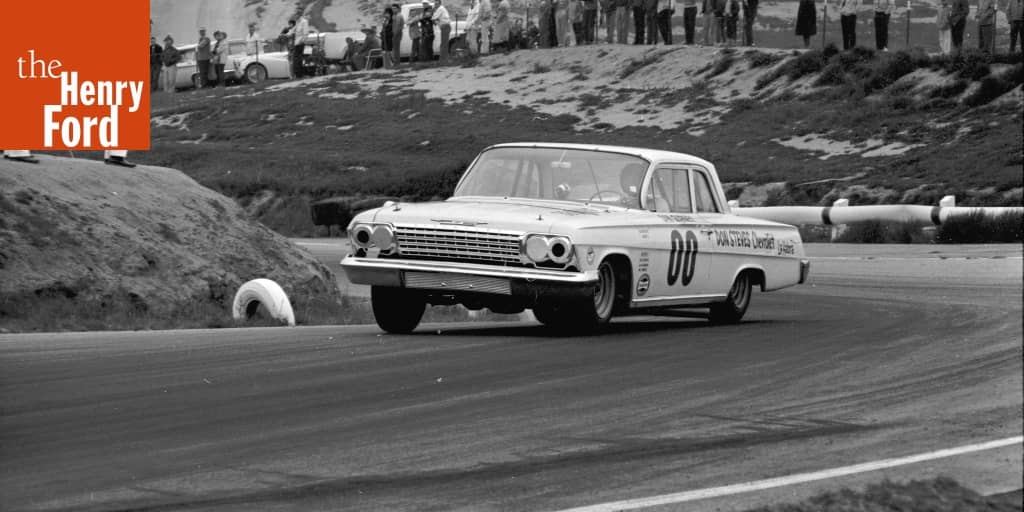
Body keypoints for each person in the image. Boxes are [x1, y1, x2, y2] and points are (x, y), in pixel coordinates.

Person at [290, 13, 311, 77]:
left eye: (296, 15)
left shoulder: (304, 22)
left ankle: (299, 74)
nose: (295, 16)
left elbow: (306, 33)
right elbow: (293, 30)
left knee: (298, 59)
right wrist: (287, 34)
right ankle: (298, 74)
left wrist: (302, 41)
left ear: (299, 15)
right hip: (297, 43)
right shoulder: (297, 22)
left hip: (300, 43)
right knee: (296, 59)